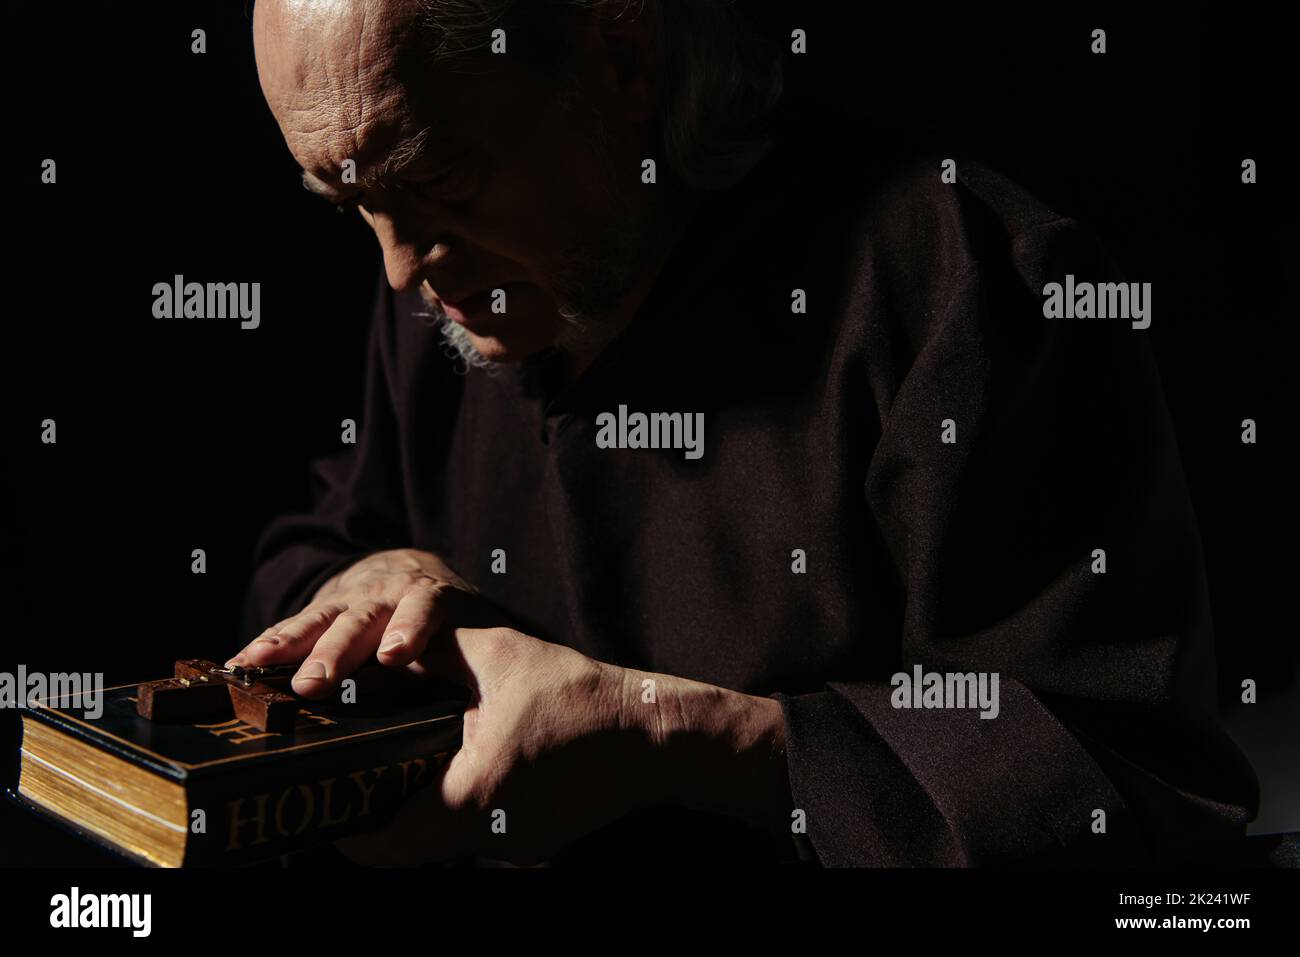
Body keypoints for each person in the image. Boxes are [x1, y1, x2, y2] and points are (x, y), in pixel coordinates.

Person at [236, 0, 1258, 866]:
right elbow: (313, 546)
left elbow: (1131, 793)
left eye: (440, 177)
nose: (399, 270)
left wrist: (672, 734)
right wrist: (366, 575)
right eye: (350, 202)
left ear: (622, 57)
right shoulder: (457, 284)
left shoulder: (971, 290)